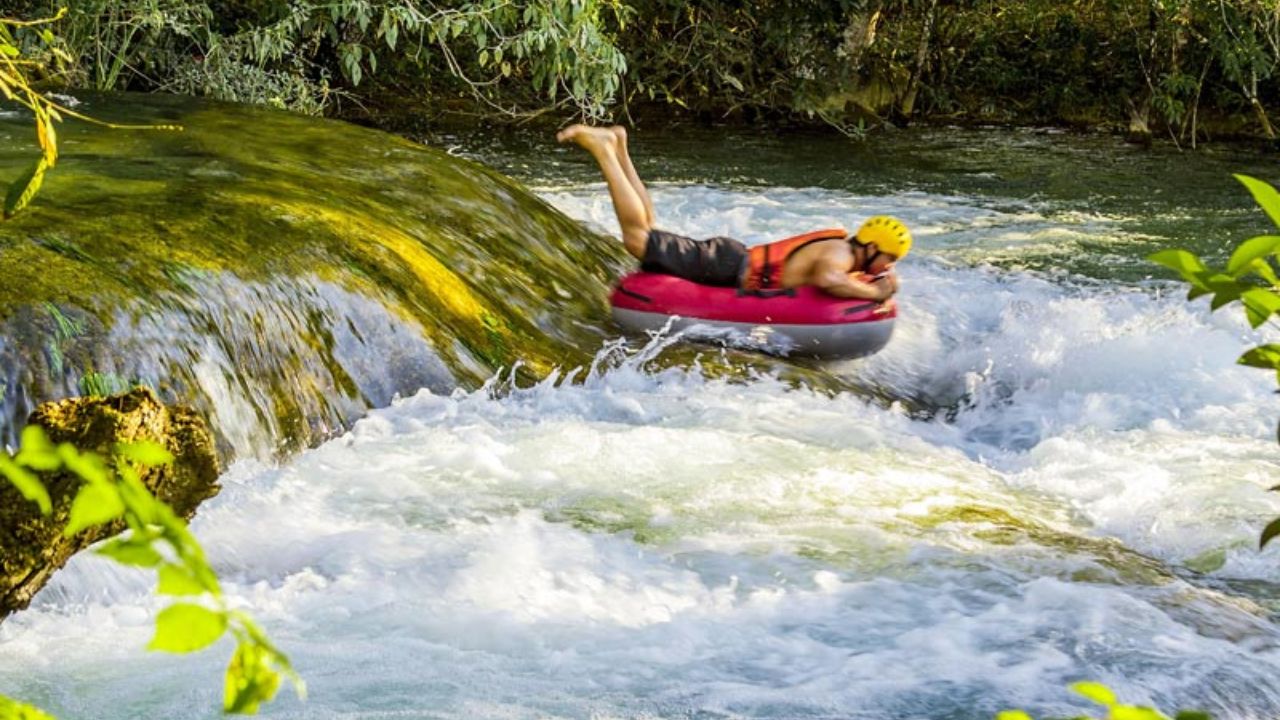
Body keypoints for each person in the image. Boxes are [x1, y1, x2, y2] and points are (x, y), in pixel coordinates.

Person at [556, 124, 911, 302]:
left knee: (648, 229)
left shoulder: (845, 250)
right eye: (889, 258)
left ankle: (619, 148)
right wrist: (876, 294)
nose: (889, 266)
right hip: (726, 266)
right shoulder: (839, 254)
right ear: (872, 247)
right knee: (638, 239)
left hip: (731, 259)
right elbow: (828, 280)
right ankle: (604, 150)